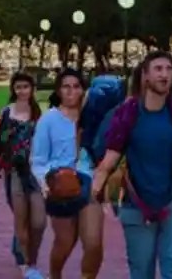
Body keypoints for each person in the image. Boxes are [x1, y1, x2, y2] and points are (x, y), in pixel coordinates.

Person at [92, 51, 172, 279]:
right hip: (138, 203)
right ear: (146, 76)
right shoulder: (127, 113)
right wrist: (93, 189)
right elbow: (109, 160)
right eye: (158, 69)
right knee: (141, 271)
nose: (164, 74)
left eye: (169, 69)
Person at [31, 68, 100, 279]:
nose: (71, 91)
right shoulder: (48, 120)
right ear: (59, 91)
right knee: (65, 242)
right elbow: (38, 159)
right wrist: (45, 184)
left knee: (93, 242)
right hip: (61, 186)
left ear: (83, 90)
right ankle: (55, 274)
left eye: (76, 86)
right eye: (66, 87)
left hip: (89, 182)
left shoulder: (92, 119)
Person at [0, 72, 46, 279]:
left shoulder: (40, 113)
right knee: (21, 219)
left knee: (38, 221)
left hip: (36, 173)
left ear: (32, 89)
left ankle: (29, 258)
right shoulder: (7, 113)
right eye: (18, 87)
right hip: (14, 171)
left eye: (26, 86)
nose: (22, 91)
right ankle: (25, 263)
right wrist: (1, 160)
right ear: (13, 90)